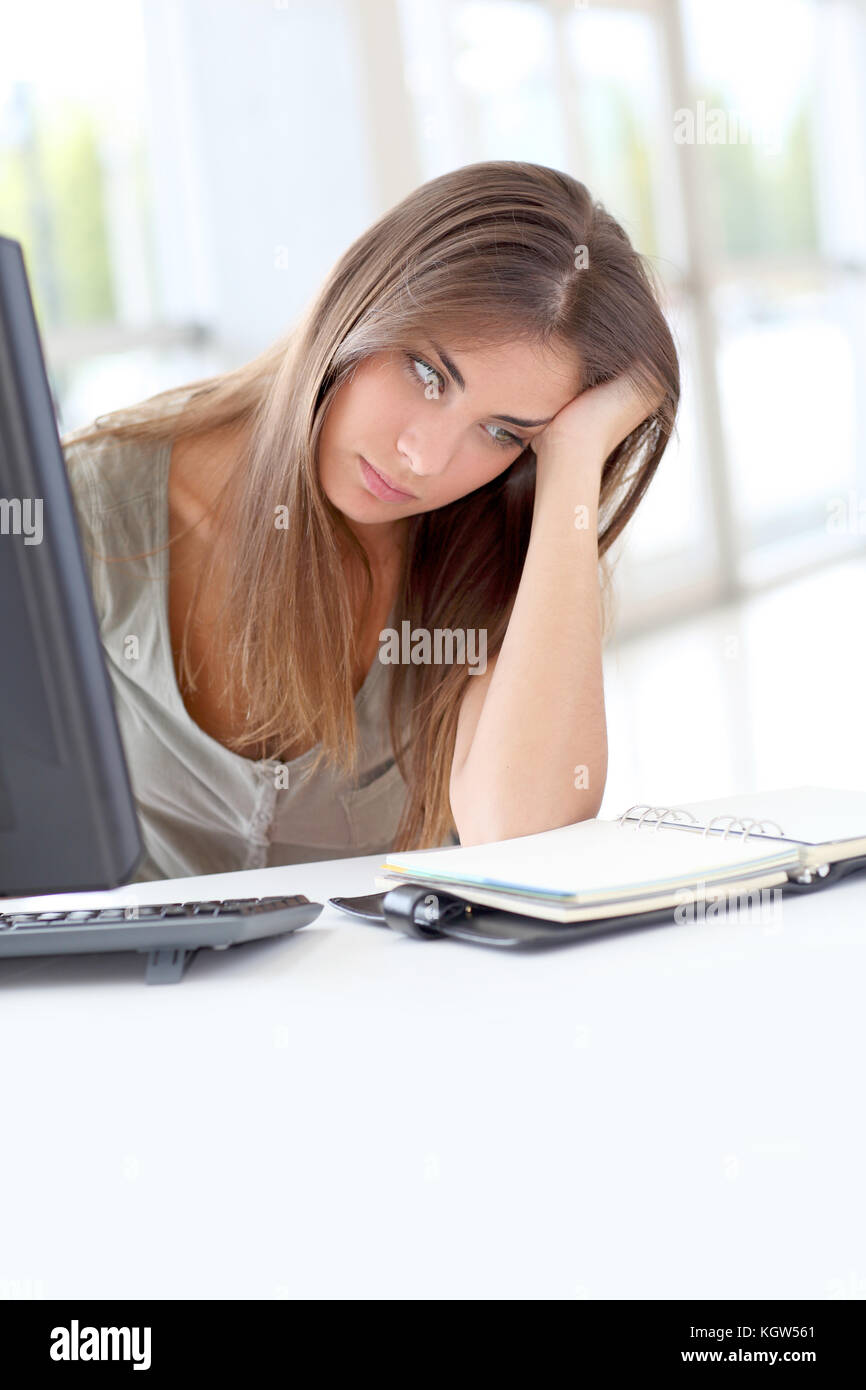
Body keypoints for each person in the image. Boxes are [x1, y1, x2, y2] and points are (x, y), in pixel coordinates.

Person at [62, 160, 679, 882]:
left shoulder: (492, 545)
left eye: (503, 432)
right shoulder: (91, 506)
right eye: (426, 374)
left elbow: (522, 837)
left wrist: (571, 462)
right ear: (362, 299)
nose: (425, 458)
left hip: (387, 995)